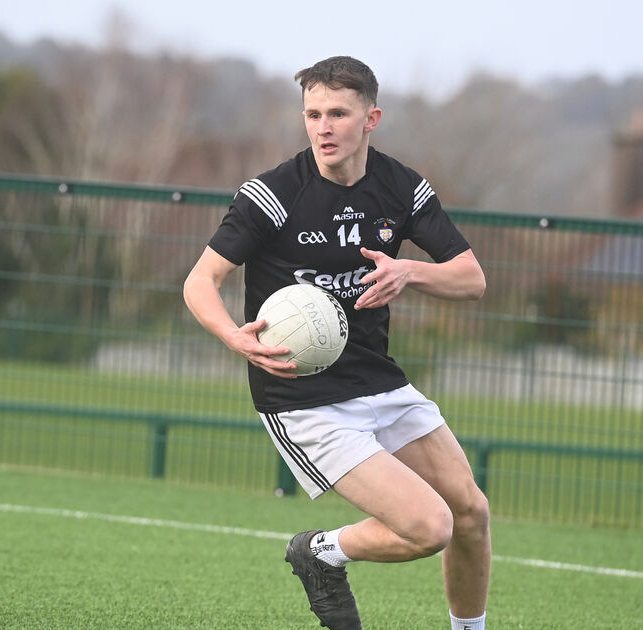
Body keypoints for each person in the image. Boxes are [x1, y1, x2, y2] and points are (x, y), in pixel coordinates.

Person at [183, 56, 490, 630]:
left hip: (378, 377)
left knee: (471, 511)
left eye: (339, 114)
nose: (324, 127)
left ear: (371, 118)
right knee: (431, 526)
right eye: (313, 114)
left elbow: (472, 279)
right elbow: (200, 280)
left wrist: (410, 272)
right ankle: (322, 552)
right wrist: (232, 336)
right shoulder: (273, 196)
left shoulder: (401, 189)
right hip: (303, 398)